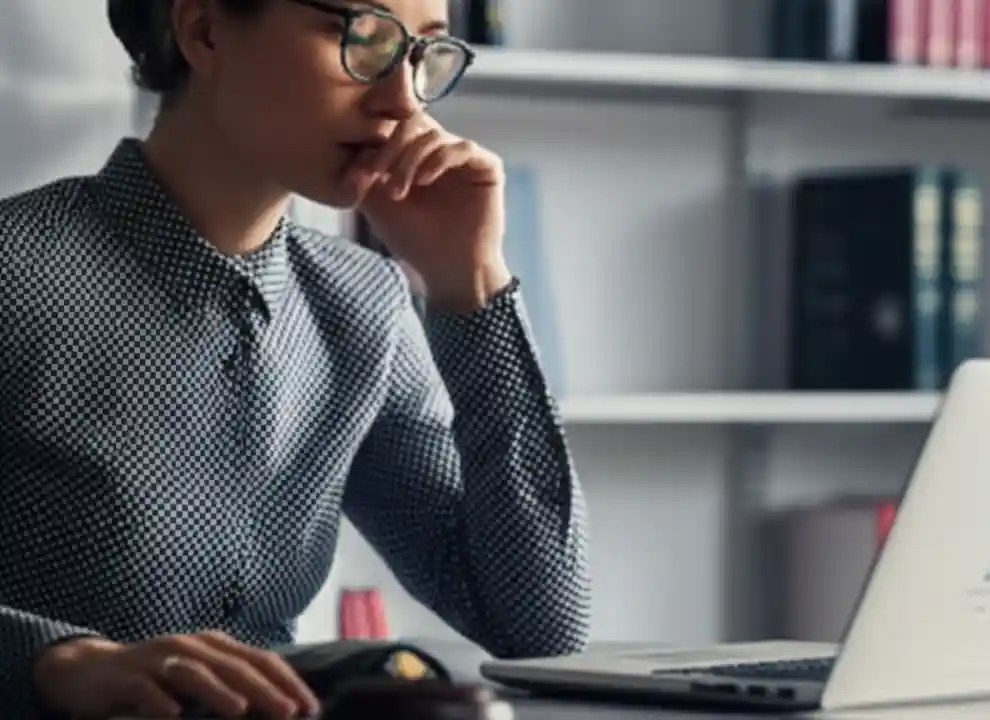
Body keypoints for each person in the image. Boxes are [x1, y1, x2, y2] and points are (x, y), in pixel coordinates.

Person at [0, 0, 590, 717]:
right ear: (205, 30)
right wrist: (50, 661)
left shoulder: (363, 303)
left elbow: (540, 625)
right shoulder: (16, 268)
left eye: (419, 55)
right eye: (360, 38)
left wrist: (472, 285)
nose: (402, 100)